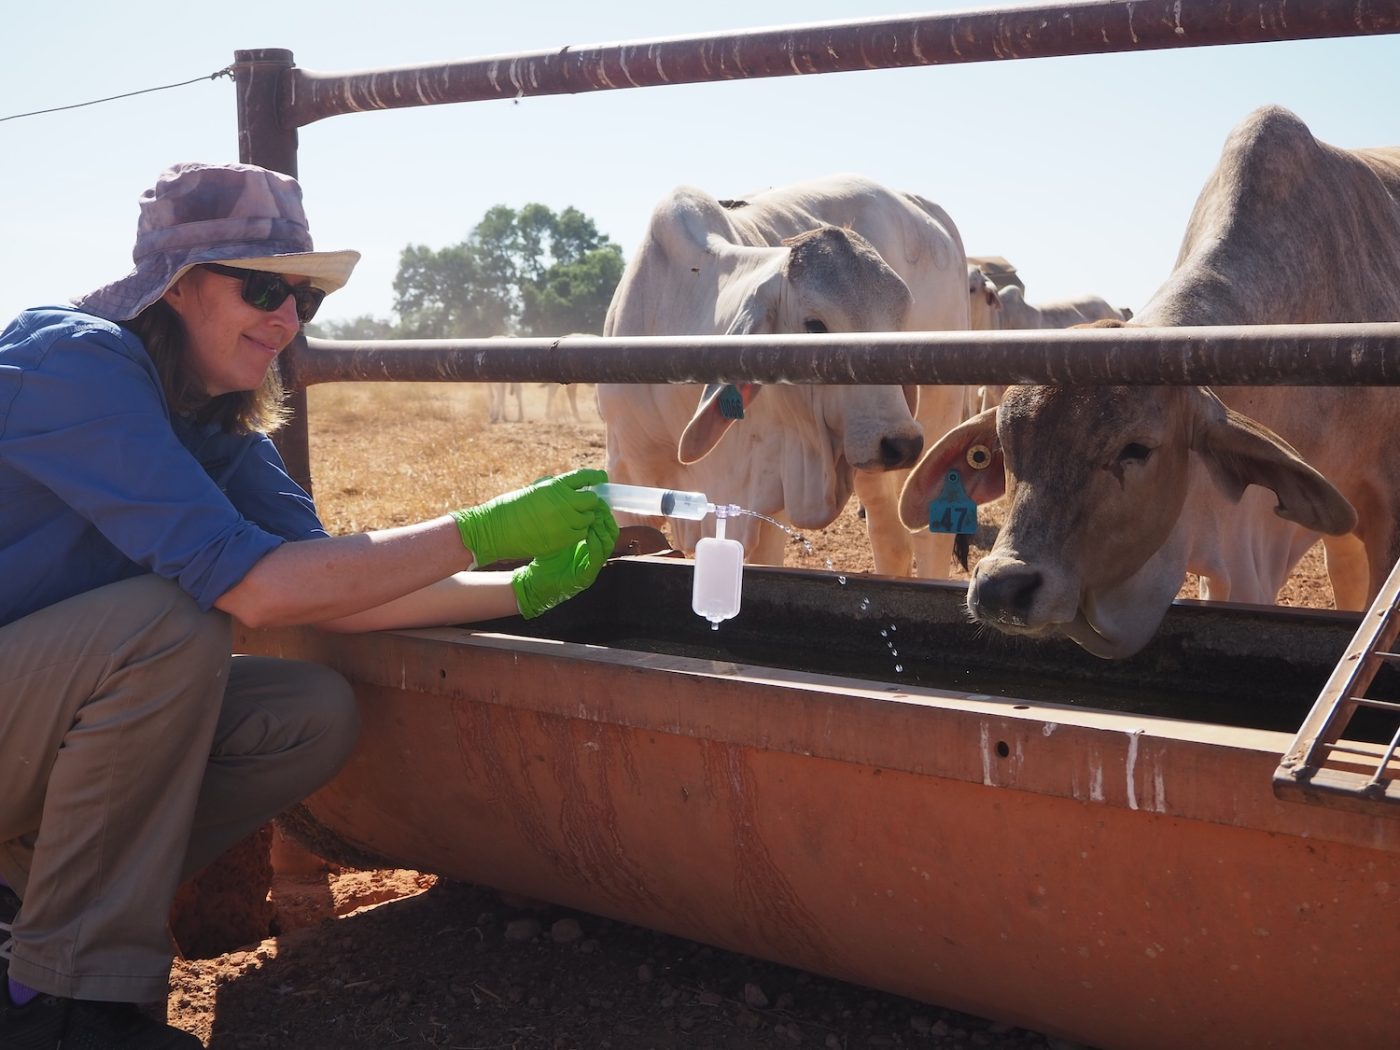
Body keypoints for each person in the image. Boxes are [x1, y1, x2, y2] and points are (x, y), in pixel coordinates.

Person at [0, 161, 618, 1048]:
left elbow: (331, 590)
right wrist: (482, 529)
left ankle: (26, 913)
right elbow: (258, 588)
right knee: (172, 623)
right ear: (176, 286)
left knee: (305, 714)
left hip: (27, 724)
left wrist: (519, 589)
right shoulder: (72, 363)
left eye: (305, 297)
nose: (288, 318)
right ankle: (62, 1009)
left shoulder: (216, 419)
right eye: (263, 288)